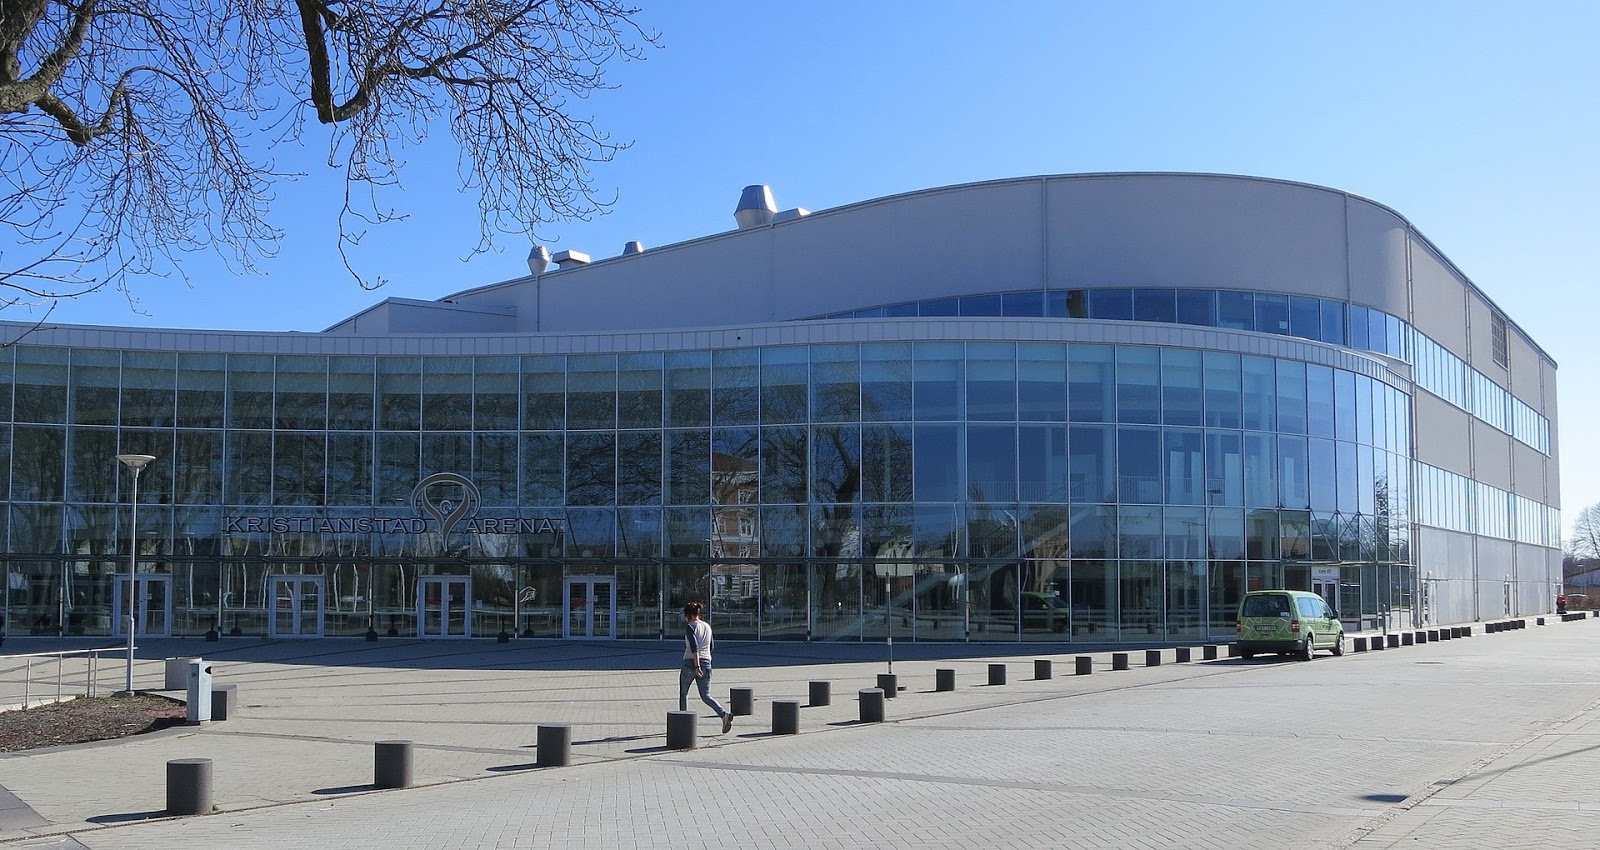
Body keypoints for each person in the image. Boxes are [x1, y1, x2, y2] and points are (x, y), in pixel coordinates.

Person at [679, 601, 733, 733]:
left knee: (683, 693)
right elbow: (711, 646)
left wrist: (697, 665)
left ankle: (682, 722)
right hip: (707, 662)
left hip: (691, 662)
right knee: (706, 695)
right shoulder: (707, 627)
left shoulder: (690, 627)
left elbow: (694, 646)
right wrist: (704, 661)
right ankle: (724, 714)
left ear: (689, 615)